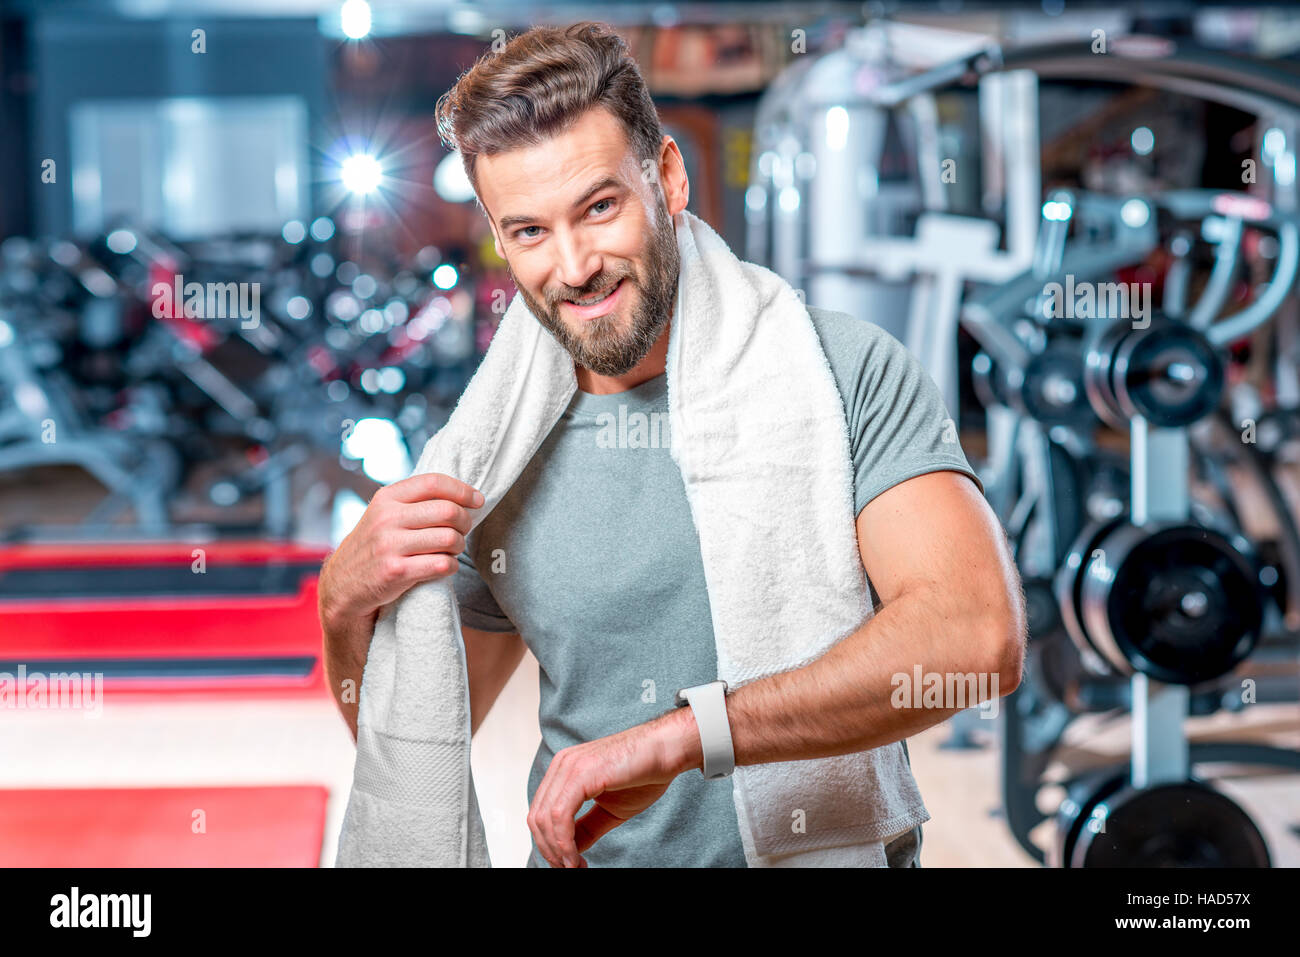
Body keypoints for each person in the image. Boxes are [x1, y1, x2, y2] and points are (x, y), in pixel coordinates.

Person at [318, 20, 1025, 868]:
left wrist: (689, 736)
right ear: (501, 240)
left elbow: (977, 639)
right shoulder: (491, 449)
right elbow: (414, 746)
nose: (574, 265)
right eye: (531, 231)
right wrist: (339, 605)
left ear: (670, 180)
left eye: (600, 207)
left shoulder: (840, 371)